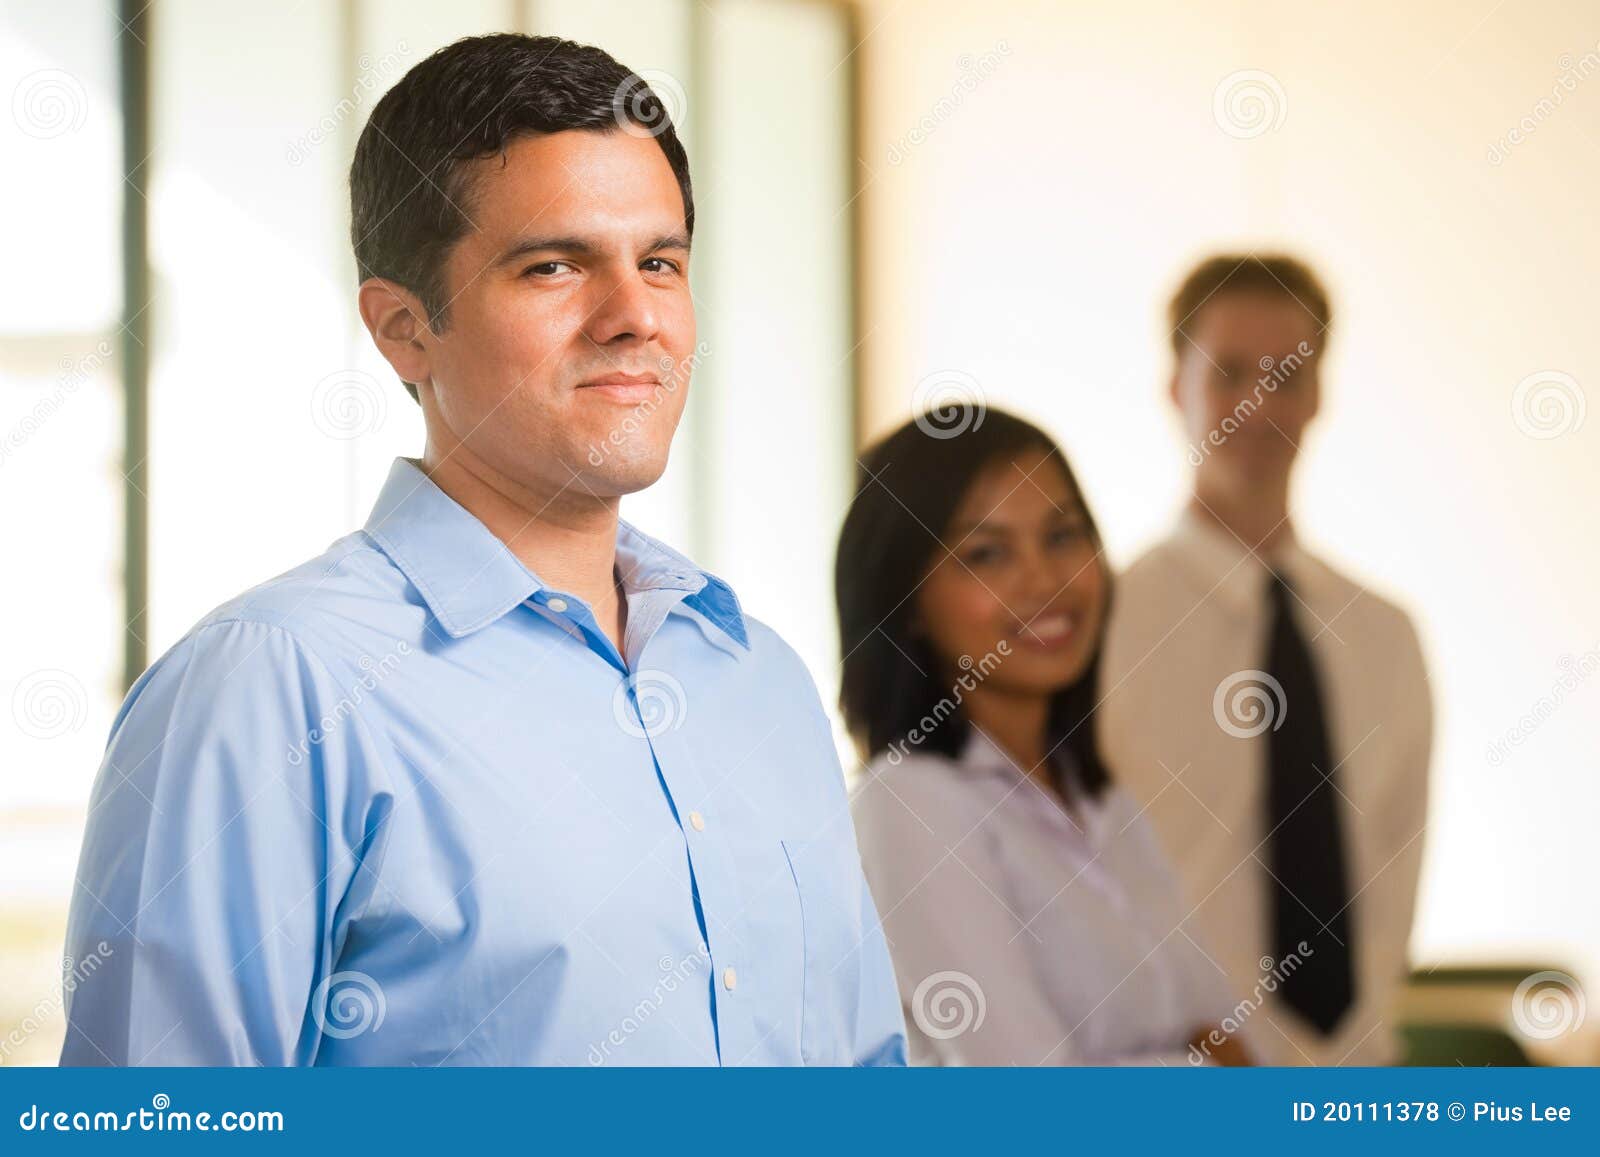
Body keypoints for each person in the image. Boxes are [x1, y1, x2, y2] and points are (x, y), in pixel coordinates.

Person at [59, 33, 905, 1067]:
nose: (634, 317)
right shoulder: (269, 685)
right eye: (552, 266)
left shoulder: (755, 676)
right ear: (403, 328)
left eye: (660, 263)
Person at [1098, 254, 1432, 1065]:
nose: (1258, 406)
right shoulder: (1099, 627)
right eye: (1228, 375)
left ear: (1320, 394)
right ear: (1175, 389)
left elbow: (1391, 889)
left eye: (1286, 376)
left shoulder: (1386, 639)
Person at [841, 408, 1249, 1066]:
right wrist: (1196, 1063)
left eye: (1062, 536)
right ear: (906, 599)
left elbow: (1229, 1030)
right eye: (987, 553)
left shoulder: (1097, 794)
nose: (1044, 580)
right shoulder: (908, 805)